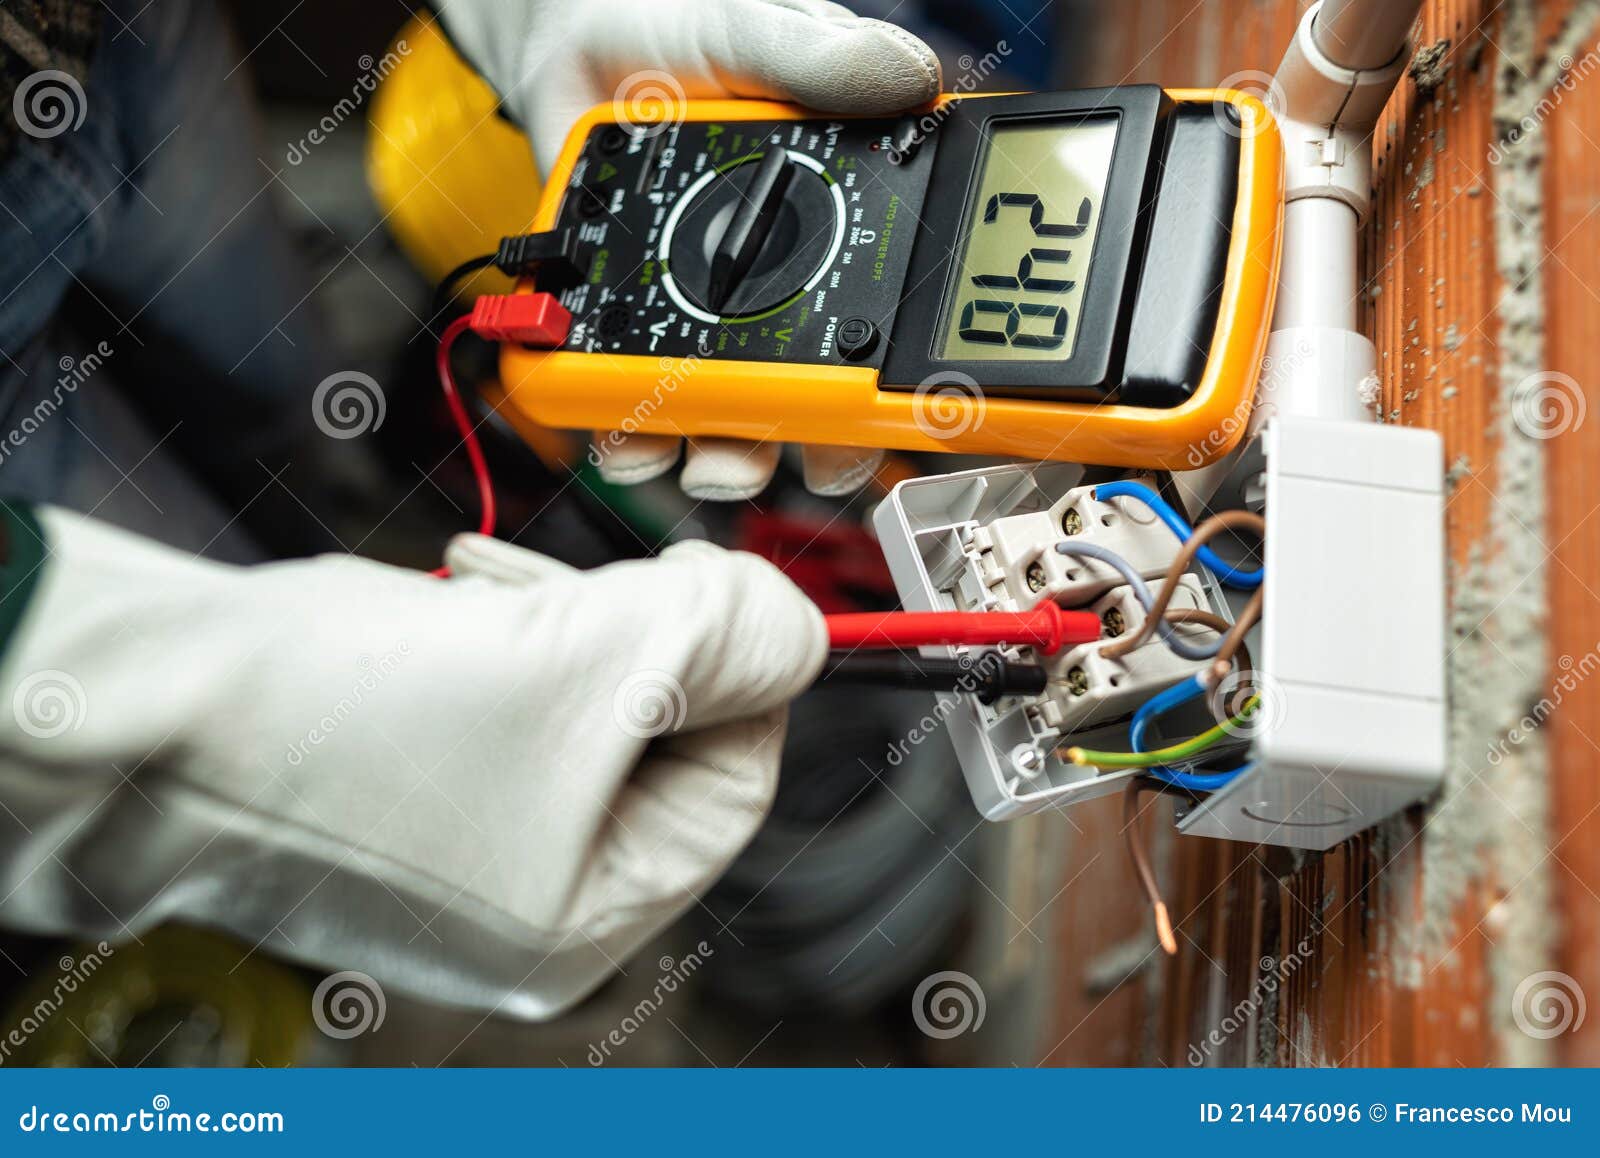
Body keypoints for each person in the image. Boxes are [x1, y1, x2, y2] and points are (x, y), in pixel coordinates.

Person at [0, 0, 940, 1019]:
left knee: (279, 413)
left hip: (110, 30)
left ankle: (319, 566)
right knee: (267, 656)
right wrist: (179, 729)